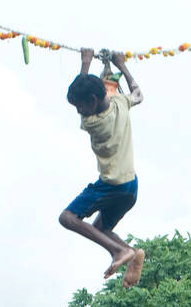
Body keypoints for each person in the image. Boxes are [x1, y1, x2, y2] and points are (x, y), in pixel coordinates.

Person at [60, 48, 145, 288]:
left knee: (67, 218)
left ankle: (118, 251)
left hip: (110, 186)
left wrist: (85, 63)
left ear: (93, 102)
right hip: (130, 186)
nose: (78, 111)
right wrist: (122, 66)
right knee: (100, 228)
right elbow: (137, 93)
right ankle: (131, 252)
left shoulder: (93, 122)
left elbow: (84, 90)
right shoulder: (121, 101)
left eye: (79, 106)